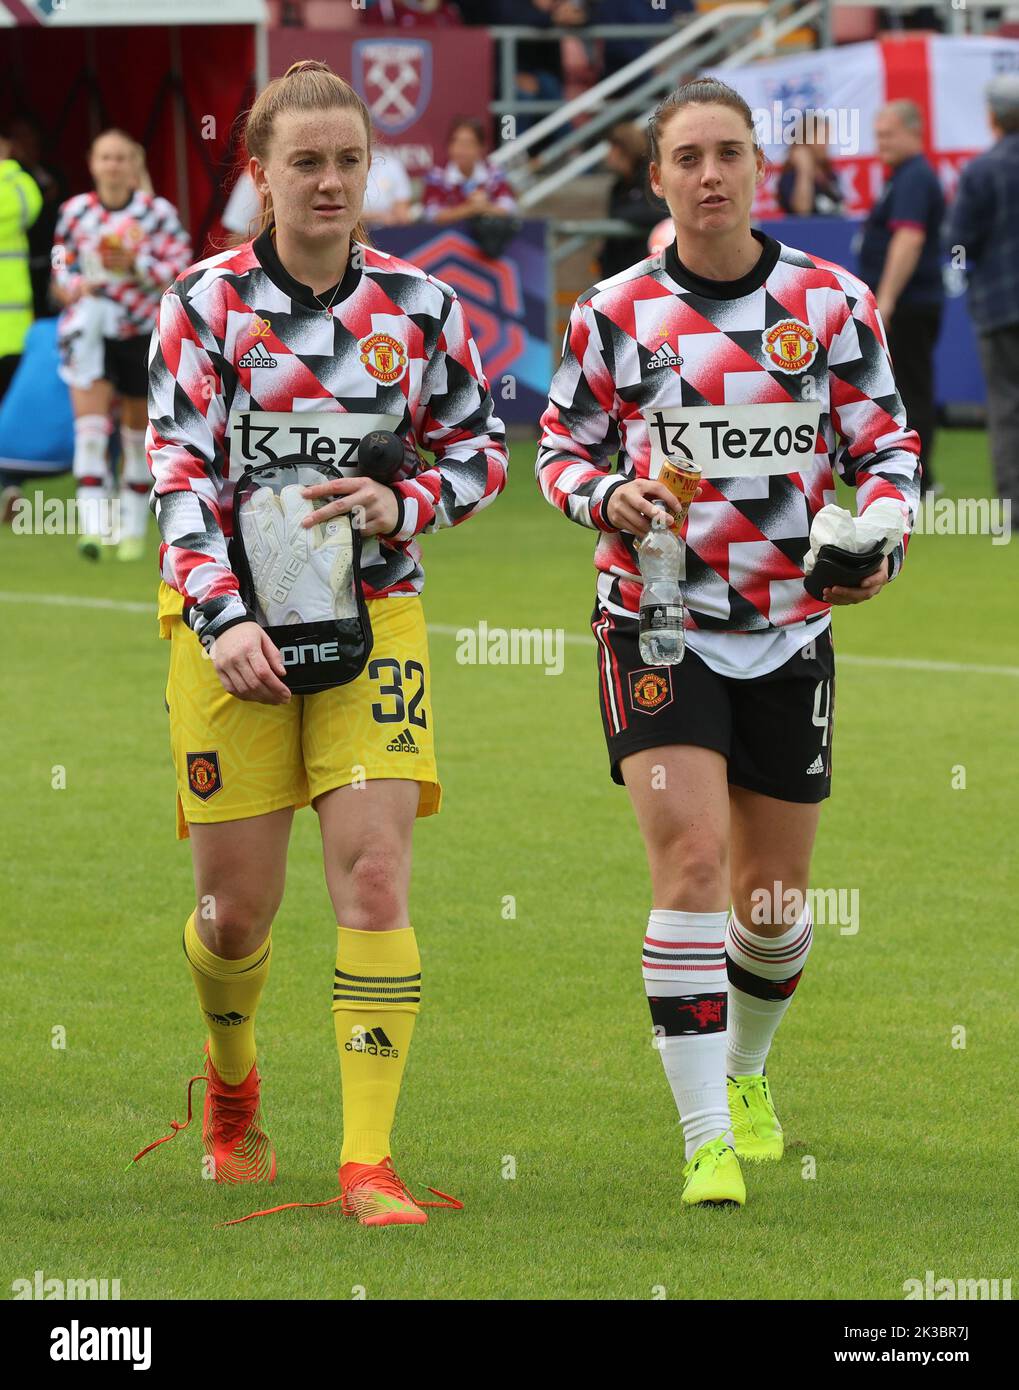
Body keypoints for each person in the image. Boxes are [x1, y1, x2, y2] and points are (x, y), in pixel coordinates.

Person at [536, 77, 920, 1209]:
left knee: (770, 904)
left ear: (760, 170)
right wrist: (608, 495)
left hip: (787, 627)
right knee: (692, 866)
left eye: (728, 154)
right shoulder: (611, 311)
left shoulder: (832, 303)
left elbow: (888, 449)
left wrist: (877, 544)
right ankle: (704, 1136)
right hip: (655, 625)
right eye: (686, 157)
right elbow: (556, 451)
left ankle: (746, 1074)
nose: (709, 174)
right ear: (654, 178)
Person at [138, 60, 507, 1226]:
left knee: (375, 869)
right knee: (233, 913)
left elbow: (480, 453)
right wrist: (223, 612)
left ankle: (366, 1160)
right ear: (259, 172)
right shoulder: (201, 305)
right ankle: (234, 1093)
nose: (331, 181)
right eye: (305, 162)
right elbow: (178, 475)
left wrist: (404, 505)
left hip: (375, 617)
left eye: (349, 160)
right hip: (230, 627)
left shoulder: (423, 308)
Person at [51, 129, 191, 560]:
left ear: (134, 165)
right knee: (90, 433)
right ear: (92, 164)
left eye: (120, 158)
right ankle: (93, 529)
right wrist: (73, 285)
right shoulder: (75, 212)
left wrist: (137, 264)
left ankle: (130, 529)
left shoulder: (156, 214)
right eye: (104, 157)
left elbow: (181, 269)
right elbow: (61, 262)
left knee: (135, 435)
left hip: (140, 331)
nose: (112, 165)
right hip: (89, 329)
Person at [858, 101, 944, 497]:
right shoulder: (906, 176)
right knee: (908, 386)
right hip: (910, 301)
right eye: (878, 136)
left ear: (914, 132)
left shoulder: (914, 177)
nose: (882, 144)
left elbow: (908, 239)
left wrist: (886, 299)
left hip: (908, 303)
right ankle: (918, 476)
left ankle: (919, 480)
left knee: (909, 389)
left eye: (889, 135)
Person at [945, 74, 1019, 509]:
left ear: (992, 116)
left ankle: (1012, 507)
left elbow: (957, 242)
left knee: (1007, 405)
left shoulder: (981, 169)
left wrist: (961, 270)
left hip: (999, 304)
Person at [0, 125, 43, 523]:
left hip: (11, 323)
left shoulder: (16, 182)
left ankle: (8, 483)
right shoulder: (19, 182)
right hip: (12, 321)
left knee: (9, 408)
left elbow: (26, 209)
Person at [598, 122, 667, 280]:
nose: (608, 156)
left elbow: (659, 211)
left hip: (647, 268)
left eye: (612, 149)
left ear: (624, 149)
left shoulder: (651, 178)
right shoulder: (619, 186)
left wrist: (626, 214)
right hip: (619, 272)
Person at [422, 117, 517, 224]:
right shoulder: (437, 174)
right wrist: (469, 208)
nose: (462, 150)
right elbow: (431, 215)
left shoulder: (493, 172)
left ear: (481, 148)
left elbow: (510, 207)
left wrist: (486, 207)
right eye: (457, 143)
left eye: (469, 144)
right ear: (449, 146)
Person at [776, 118, 845, 217]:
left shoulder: (829, 175)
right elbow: (802, 211)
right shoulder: (790, 177)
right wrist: (804, 169)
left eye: (827, 138)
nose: (826, 144)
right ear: (805, 139)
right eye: (822, 138)